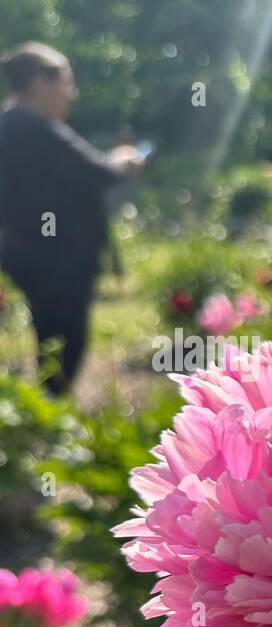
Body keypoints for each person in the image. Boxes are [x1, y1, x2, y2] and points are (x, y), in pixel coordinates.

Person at [0, 42, 144, 395]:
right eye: (67, 83)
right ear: (40, 83)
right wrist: (124, 160)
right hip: (58, 258)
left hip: (24, 251)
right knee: (66, 342)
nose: (72, 94)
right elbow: (95, 172)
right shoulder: (39, 130)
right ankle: (49, 417)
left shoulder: (8, 127)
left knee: (48, 335)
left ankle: (42, 414)